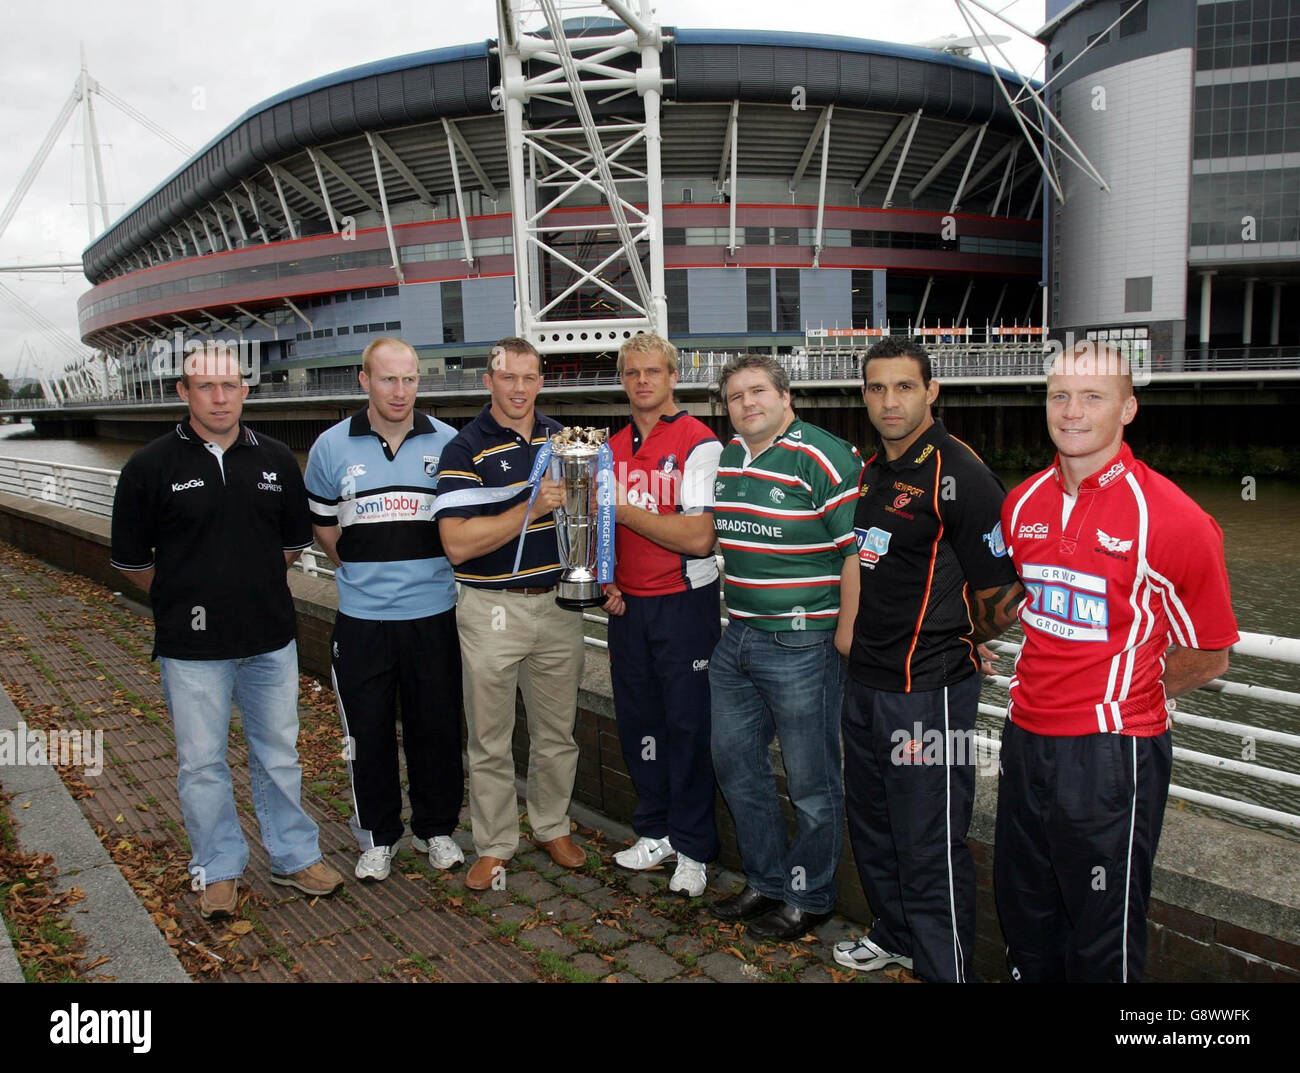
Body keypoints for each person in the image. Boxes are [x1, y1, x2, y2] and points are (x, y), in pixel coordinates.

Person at [996, 343, 1238, 982]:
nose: (1071, 412)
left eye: (1093, 396)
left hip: (1110, 754)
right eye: (1059, 395)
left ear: (1127, 408)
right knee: (1025, 914)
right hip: (1023, 737)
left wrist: (1136, 693)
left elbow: (1212, 654)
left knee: (1103, 931)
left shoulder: (1176, 518)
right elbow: (1027, 605)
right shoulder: (1019, 502)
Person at [109, 343, 343, 921]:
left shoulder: (276, 461)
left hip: (269, 638)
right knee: (201, 762)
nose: (220, 397)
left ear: (244, 390)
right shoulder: (149, 466)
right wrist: (188, 598)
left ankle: (293, 856)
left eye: (231, 385)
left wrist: (246, 588)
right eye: (206, 387)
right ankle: (218, 867)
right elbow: (133, 561)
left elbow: (293, 544)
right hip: (192, 648)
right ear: (184, 392)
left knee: (279, 753)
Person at [832, 337, 1022, 981]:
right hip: (865, 681)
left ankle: (947, 969)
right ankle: (897, 935)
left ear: (931, 392)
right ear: (864, 394)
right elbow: (866, 559)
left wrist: (968, 638)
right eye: (877, 388)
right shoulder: (871, 469)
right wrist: (851, 642)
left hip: (930, 692)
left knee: (930, 843)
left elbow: (1003, 595)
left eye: (905, 387)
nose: (890, 401)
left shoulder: (962, 475)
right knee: (875, 826)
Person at [708, 353, 863, 940]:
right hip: (739, 635)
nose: (747, 404)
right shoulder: (728, 457)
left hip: (804, 644)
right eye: (735, 397)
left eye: (757, 392)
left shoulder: (823, 455)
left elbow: (854, 551)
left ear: (785, 396)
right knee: (736, 763)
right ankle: (766, 881)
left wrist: (845, 631)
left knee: (811, 781)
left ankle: (811, 894)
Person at [304, 338, 465, 882]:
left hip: (434, 615)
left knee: (436, 729)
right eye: (388, 379)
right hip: (363, 621)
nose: (400, 391)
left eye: (410, 379)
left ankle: (435, 829)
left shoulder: (449, 443)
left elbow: (462, 525)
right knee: (366, 734)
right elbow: (325, 527)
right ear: (363, 380)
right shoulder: (329, 446)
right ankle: (377, 836)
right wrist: (361, 569)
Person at [436, 337, 587, 891]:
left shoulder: (563, 439)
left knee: (557, 733)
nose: (518, 388)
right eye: (508, 377)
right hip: (491, 609)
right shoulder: (463, 449)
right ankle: (496, 843)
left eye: (529, 377)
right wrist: (532, 506)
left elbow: (591, 516)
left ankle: (551, 825)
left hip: (557, 605)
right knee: (490, 739)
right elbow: (457, 544)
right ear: (489, 381)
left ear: (540, 381)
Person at [601, 332, 722, 898]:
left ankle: (694, 845)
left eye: (653, 371)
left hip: (682, 604)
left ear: (674, 377)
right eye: (632, 372)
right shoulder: (611, 446)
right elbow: (596, 529)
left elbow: (698, 537)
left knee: (688, 726)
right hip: (628, 606)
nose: (643, 381)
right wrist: (605, 577)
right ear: (623, 380)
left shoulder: (700, 443)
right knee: (639, 723)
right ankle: (655, 831)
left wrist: (622, 509)